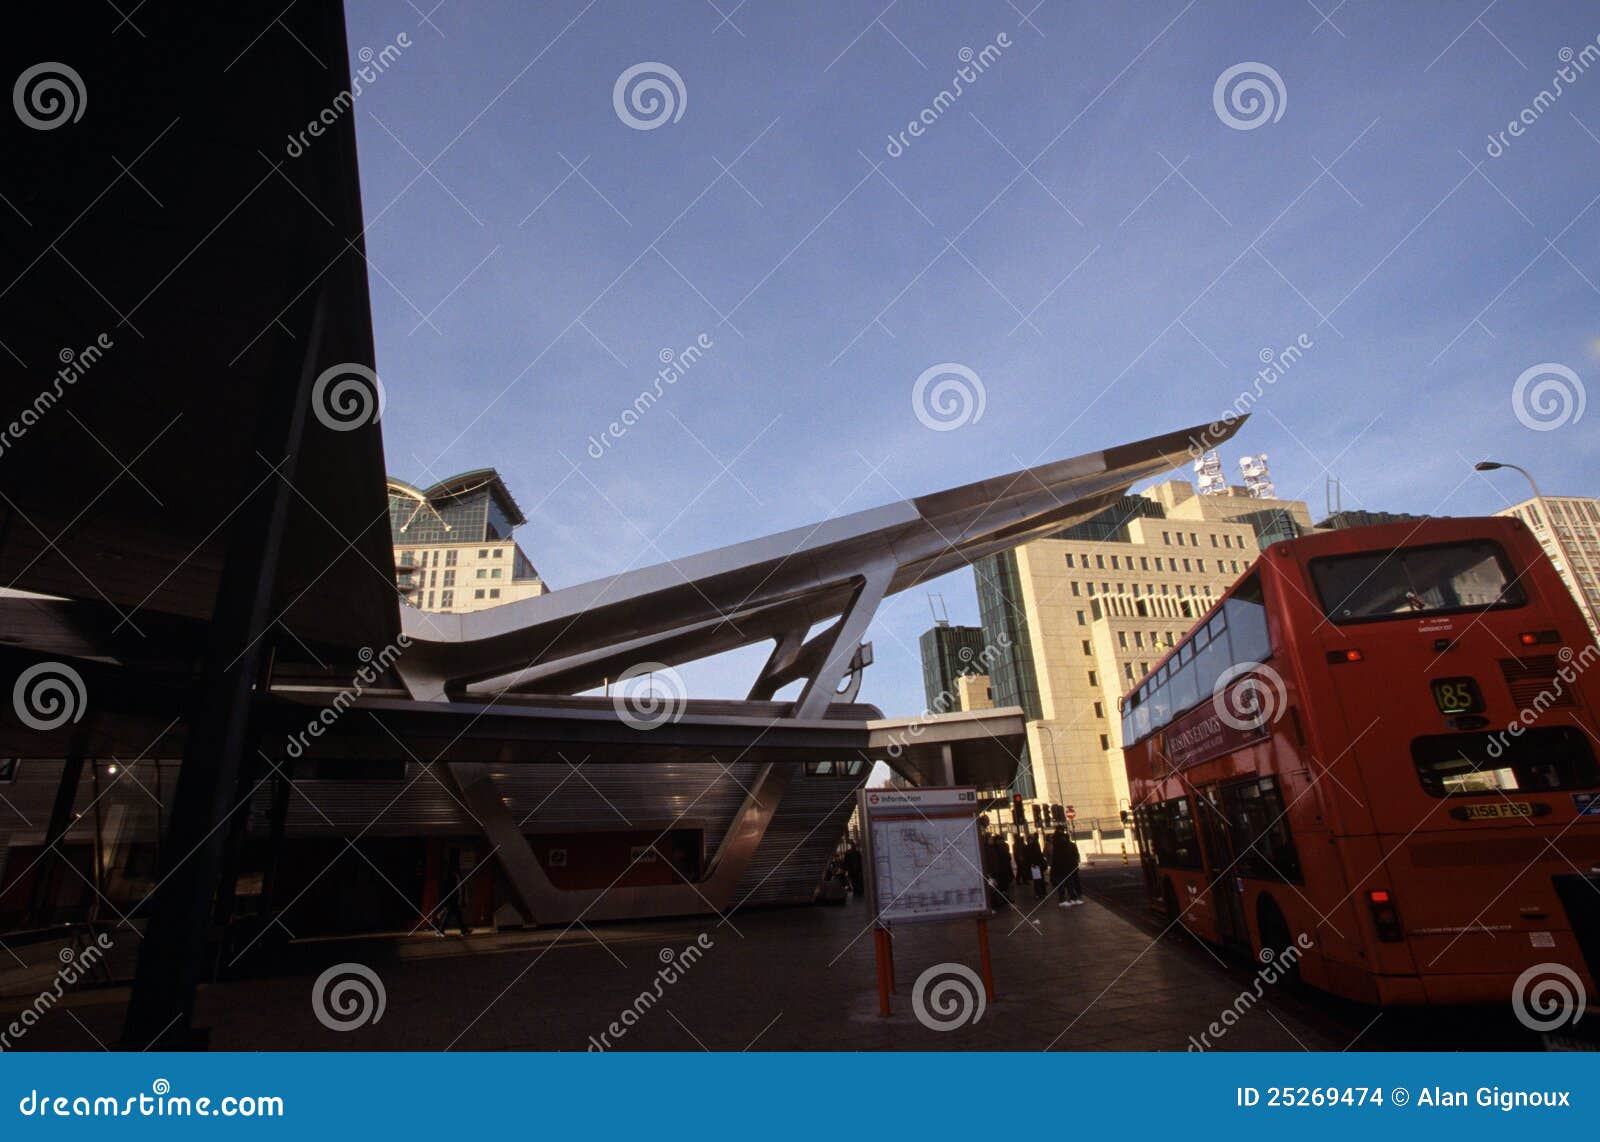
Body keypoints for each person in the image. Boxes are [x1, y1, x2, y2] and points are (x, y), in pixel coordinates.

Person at [437, 848, 471, 936]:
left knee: (455, 914)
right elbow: (451, 887)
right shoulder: (452, 874)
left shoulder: (454, 874)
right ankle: (441, 930)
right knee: (452, 914)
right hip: (452, 897)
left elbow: (458, 886)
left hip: (454, 897)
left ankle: (463, 930)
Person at [1052, 828, 1084, 906]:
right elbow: (1058, 858)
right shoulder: (1058, 846)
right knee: (1063, 884)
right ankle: (1062, 900)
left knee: (1070, 883)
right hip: (1061, 868)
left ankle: (1073, 898)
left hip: (1066, 867)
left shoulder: (1063, 845)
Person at [1025, 833, 1047, 899]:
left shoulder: (1034, 846)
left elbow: (1038, 856)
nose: (1030, 841)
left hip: (1037, 865)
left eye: (1031, 840)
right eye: (1029, 840)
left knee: (1039, 880)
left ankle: (1041, 892)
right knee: (1037, 880)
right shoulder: (1029, 847)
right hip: (1035, 866)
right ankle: (1040, 893)